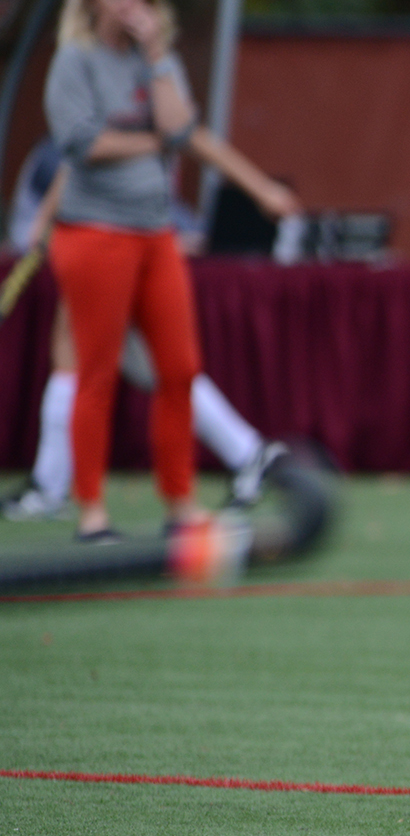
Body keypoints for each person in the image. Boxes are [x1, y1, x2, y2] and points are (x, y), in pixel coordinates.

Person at [42, 0, 298, 542]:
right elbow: (84, 143)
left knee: (179, 368)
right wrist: (156, 140)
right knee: (97, 370)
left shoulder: (159, 60)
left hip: (155, 233)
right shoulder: (76, 61)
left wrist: (158, 57)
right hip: (94, 231)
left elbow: (181, 127)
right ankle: (92, 511)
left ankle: (179, 504)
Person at [3, 148, 289, 523]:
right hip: (116, 241)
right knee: (147, 366)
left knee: (81, 352)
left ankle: (50, 487)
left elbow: (183, 139)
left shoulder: (127, 118)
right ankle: (249, 452)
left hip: (115, 244)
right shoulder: (104, 120)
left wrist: (44, 220)